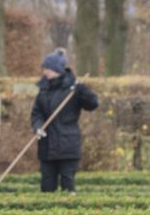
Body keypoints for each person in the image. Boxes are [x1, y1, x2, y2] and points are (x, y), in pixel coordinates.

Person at [31, 48, 99, 193]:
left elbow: (92, 104)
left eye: (49, 69)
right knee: (47, 185)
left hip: (67, 145)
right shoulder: (43, 89)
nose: (46, 72)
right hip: (47, 145)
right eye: (45, 68)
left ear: (58, 70)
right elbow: (36, 113)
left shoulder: (73, 89)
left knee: (68, 183)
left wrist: (83, 91)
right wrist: (38, 127)